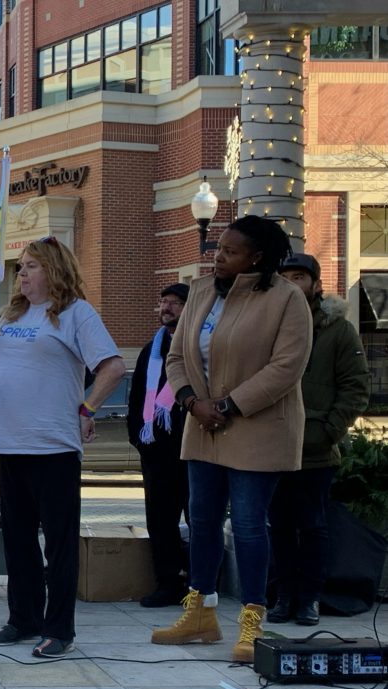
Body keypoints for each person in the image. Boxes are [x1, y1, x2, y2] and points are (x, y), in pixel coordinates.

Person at [151, 215, 312, 663]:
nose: (218, 256)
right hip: (202, 425)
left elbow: (287, 366)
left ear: (256, 257)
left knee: (245, 524)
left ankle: (252, 620)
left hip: (257, 428)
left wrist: (228, 406)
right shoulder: (201, 292)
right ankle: (200, 613)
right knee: (200, 520)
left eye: (230, 251)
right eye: (218, 248)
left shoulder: (287, 300)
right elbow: (178, 355)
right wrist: (192, 403)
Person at [0, 236, 125, 659]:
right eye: (20, 266)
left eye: (31, 266)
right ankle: (22, 620)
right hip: (12, 443)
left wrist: (87, 407)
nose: (20, 273)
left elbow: (113, 368)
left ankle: (59, 629)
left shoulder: (76, 314)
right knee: (19, 540)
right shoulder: (10, 315)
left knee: (57, 543)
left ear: (54, 270)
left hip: (54, 445)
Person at [267, 253, 370, 626]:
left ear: (315, 284)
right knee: (277, 526)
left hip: (315, 450)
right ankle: (282, 597)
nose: (292, 283)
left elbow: (356, 388)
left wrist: (329, 431)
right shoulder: (268, 325)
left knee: (312, 526)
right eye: (286, 276)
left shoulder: (338, 331)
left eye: (299, 276)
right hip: (271, 447)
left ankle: (309, 598)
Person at [127, 283, 191, 608]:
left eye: (175, 303)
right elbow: (137, 395)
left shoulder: (198, 347)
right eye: (163, 301)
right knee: (160, 520)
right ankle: (167, 582)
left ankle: (199, 584)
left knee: (198, 518)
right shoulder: (151, 349)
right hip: (156, 451)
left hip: (193, 448)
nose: (166, 307)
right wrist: (138, 436)